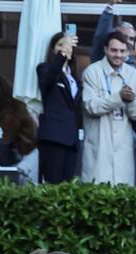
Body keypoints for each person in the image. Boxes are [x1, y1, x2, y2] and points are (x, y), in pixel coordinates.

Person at [81, 33, 136, 185]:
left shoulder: (133, 74)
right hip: (100, 147)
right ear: (105, 50)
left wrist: (131, 100)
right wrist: (119, 98)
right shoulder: (92, 72)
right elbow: (91, 107)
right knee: (97, 196)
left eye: (122, 51)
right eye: (114, 50)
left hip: (123, 149)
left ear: (128, 52)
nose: (118, 55)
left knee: (123, 199)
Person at [35, 30, 84, 184]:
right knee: (52, 184)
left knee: (67, 186)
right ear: (52, 49)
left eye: (67, 45)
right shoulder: (44, 68)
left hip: (71, 139)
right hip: (53, 138)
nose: (64, 48)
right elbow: (49, 78)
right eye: (60, 45)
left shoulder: (73, 76)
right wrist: (62, 55)